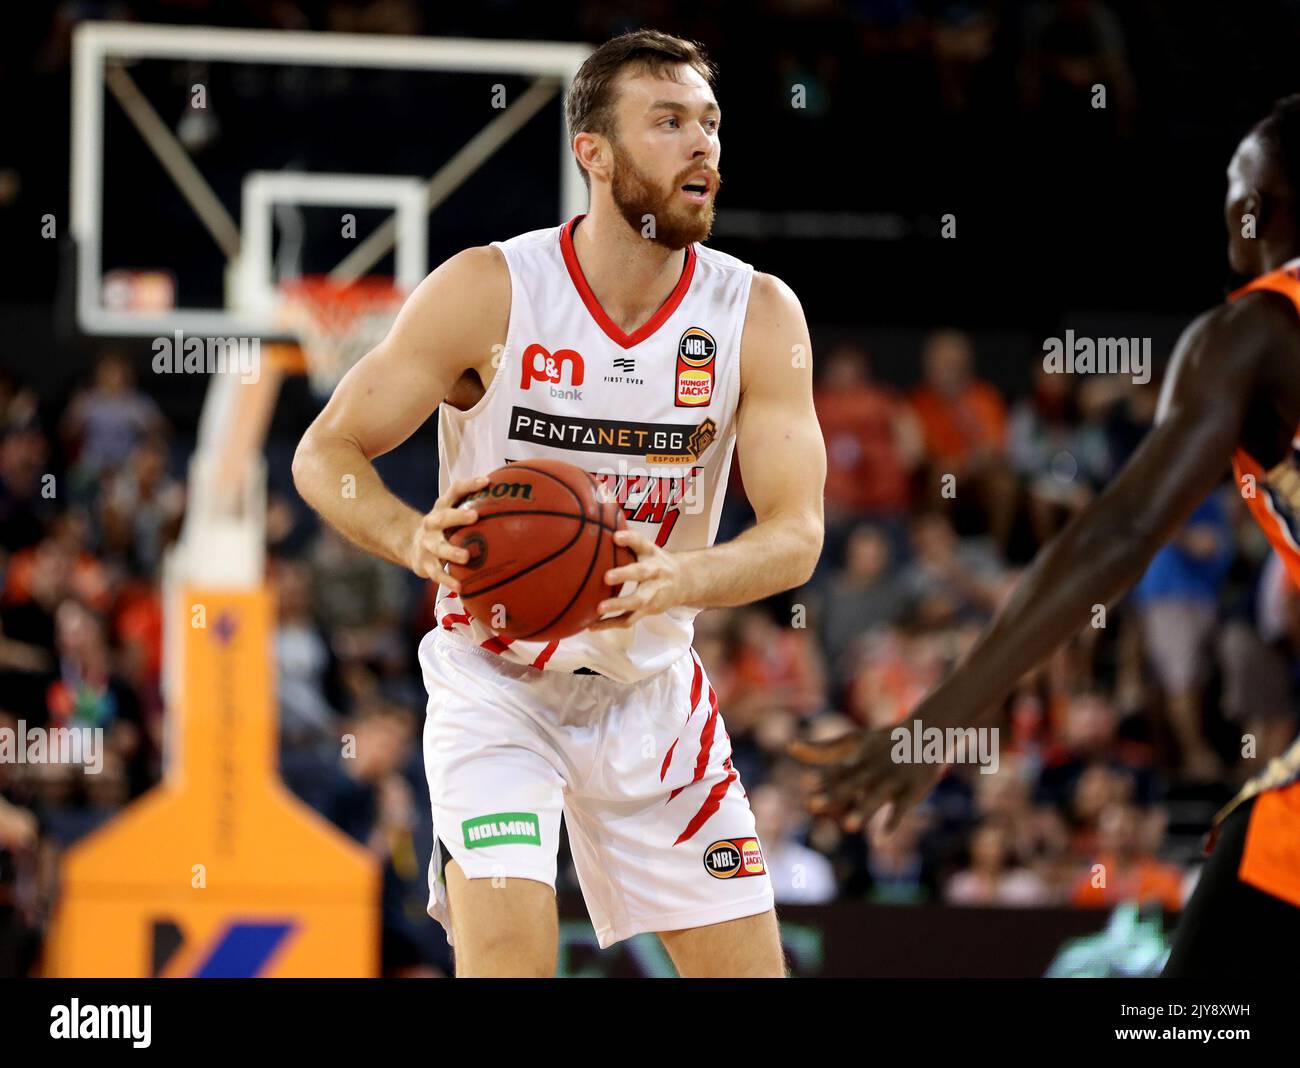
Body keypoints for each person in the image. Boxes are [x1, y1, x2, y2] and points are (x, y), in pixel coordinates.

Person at [294, 30, 826, 977]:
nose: (701, 144)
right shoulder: (489, 290)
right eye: (667, 122)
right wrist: (411, 537)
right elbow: (323, 453)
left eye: (709, 122)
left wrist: (682, 575)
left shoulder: (759, 314)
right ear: (594, 151)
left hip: (652, 693)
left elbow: (798, 534)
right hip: (497, 685)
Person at [793, 95, 1300, 976]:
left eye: (1234, 184)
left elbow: (1120, 532)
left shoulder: (1256, 328)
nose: (1226, 205)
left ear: (1263, 205)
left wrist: (936, 725)